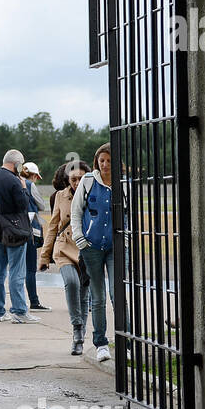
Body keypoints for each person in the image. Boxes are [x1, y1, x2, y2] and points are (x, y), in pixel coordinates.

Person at [40, 160, 92, 355]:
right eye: (73, 179)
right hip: (64, 249)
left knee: (84, 295)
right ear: (67, 180)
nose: (77, 182)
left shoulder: (94, 194)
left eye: (80, 178)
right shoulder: (60, 197)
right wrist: (44, 256)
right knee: (72, 283)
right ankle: (77, 328)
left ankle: (79, 336)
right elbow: (53, 226)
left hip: (87, 250)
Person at [71, 143, 115, 361]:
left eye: (108, 160)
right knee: (98, 298)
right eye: (101, 160)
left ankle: (124, 340)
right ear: (97, 161)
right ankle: (101, 344)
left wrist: (125, 238)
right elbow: (76, 210)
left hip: (115, 248)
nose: (105, 164)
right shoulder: (88, 181)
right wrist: (80, 238)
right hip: (91, 247)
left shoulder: (123, 183)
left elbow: (129, 212)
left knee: (119, 294)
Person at [0, 149, 37, 324]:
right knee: (17, 270)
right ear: (18, 164)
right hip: (14, 230)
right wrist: (24, 188)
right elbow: (23, 205)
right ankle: (19, 311)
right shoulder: (15, 181)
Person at [20, 161, 51, 312]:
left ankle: (19, 302)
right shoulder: (30, 185)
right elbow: (42, 205)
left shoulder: (14, 182)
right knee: (30, 269)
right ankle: (34, 301)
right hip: (30, 228)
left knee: (17, 268)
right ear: (33, 175)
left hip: (14, 229)